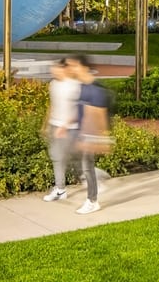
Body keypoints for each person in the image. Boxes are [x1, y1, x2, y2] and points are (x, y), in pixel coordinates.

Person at [66, 55, 113, 214]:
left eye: (75, 66)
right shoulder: (83, 86)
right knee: (75, 160)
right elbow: (80, 109)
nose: (72, 69)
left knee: (86, 165)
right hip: (81, 131)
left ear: (84, 67)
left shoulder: (95, 89)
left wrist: (98, 139)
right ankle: (96, 176)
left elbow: (99, 116)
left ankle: (92, 201)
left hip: (89, 133)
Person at [42, 58, 82, 202]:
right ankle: (60, 189)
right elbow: (52, 106)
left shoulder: (74, 85)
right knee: (57, 157)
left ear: (64, 69)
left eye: (56, 69)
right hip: (55, 125)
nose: (53, 72)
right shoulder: (53, 84)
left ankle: (94, 178)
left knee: (66, 157)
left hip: (69, 128)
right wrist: (46, 124)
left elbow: (78, 109)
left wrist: (64, 127)